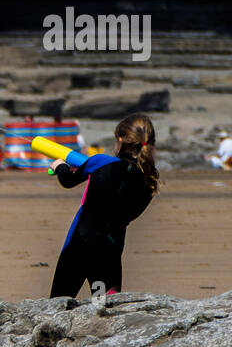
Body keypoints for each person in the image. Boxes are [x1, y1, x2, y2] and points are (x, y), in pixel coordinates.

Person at [48, 114, 159, 299]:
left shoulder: (101, 162)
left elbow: (67, 181)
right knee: (103, 308)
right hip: (110, 251)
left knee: (59, 303)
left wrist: (60, 166)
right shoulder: (150, 177)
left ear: (121, 140)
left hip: (79, 245)